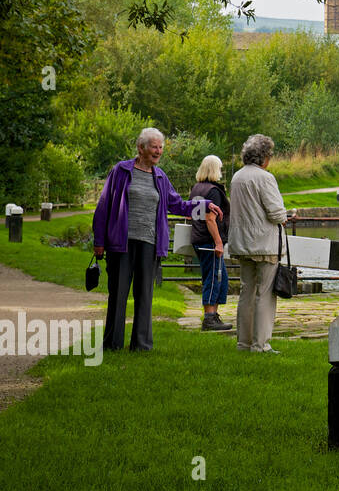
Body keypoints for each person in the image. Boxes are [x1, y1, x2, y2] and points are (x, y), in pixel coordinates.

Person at [92, 127, 221, 351]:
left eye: (160, 147)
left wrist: (202, 205)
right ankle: (112, 344)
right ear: (141, 148)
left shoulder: (160, 176)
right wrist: (99, 241)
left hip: (149, 244)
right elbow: (104, 206)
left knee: (144, 296)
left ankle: (141, 345)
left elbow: (177, 204)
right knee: (118, 295)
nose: (158, 151)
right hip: (120, 244)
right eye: (154, 146)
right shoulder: (121, 171)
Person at [228, 134, 289, 353]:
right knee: (264, 294)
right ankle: (260, 344)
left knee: (246, 292)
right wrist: (286, 215)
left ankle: (243, 342)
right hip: (264, 243)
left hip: (242, 243)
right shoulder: (265, 178)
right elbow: (275, 213)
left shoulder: (237, 177)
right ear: (264, 157)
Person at [190, 155, 232, 331]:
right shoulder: (213, 191)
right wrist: (218, 242)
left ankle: (213, 315)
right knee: (214, 278)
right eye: (220, 168)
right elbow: (210, 218)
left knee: (220, 278)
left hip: (198, 238)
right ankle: (209, 318)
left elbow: (190, 213)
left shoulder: (196, 188)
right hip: (209, 240)